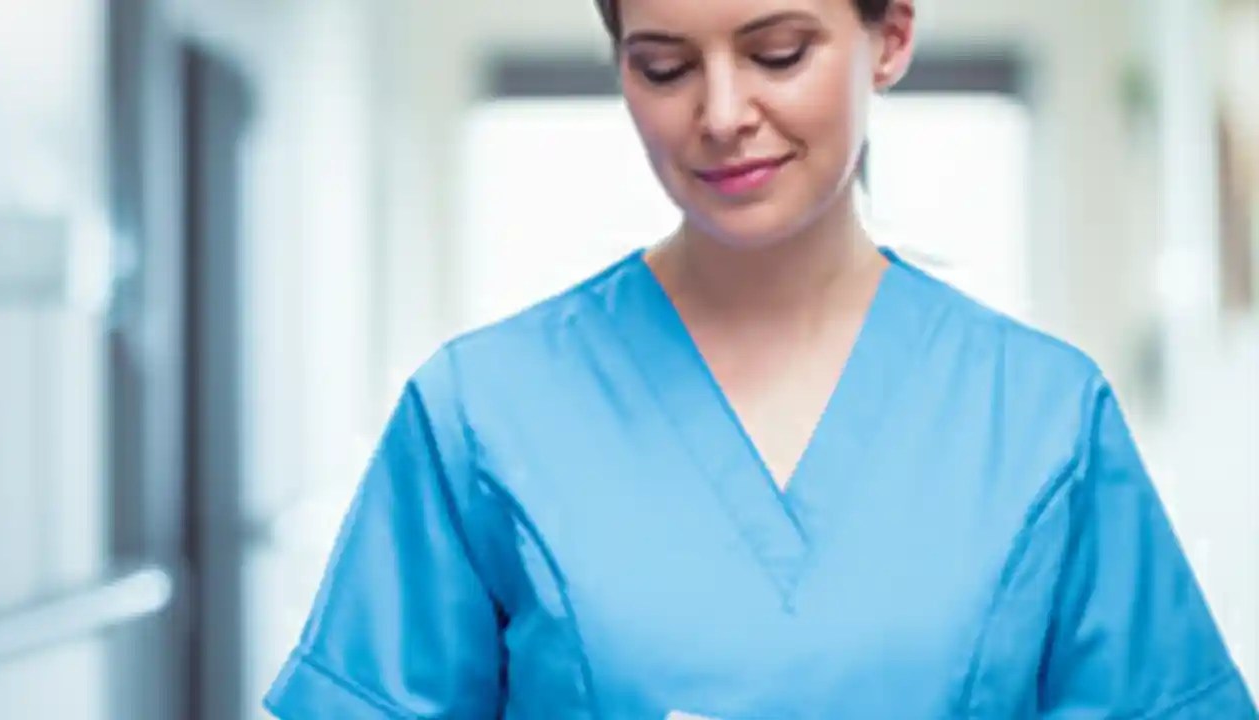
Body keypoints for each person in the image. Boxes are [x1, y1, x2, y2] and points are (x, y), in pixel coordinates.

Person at [264, 0, 1258, 717]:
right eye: (662, 67)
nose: (721, 114)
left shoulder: (1040, 415)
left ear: (890, 37)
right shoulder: (479, 411)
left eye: (777, 52)